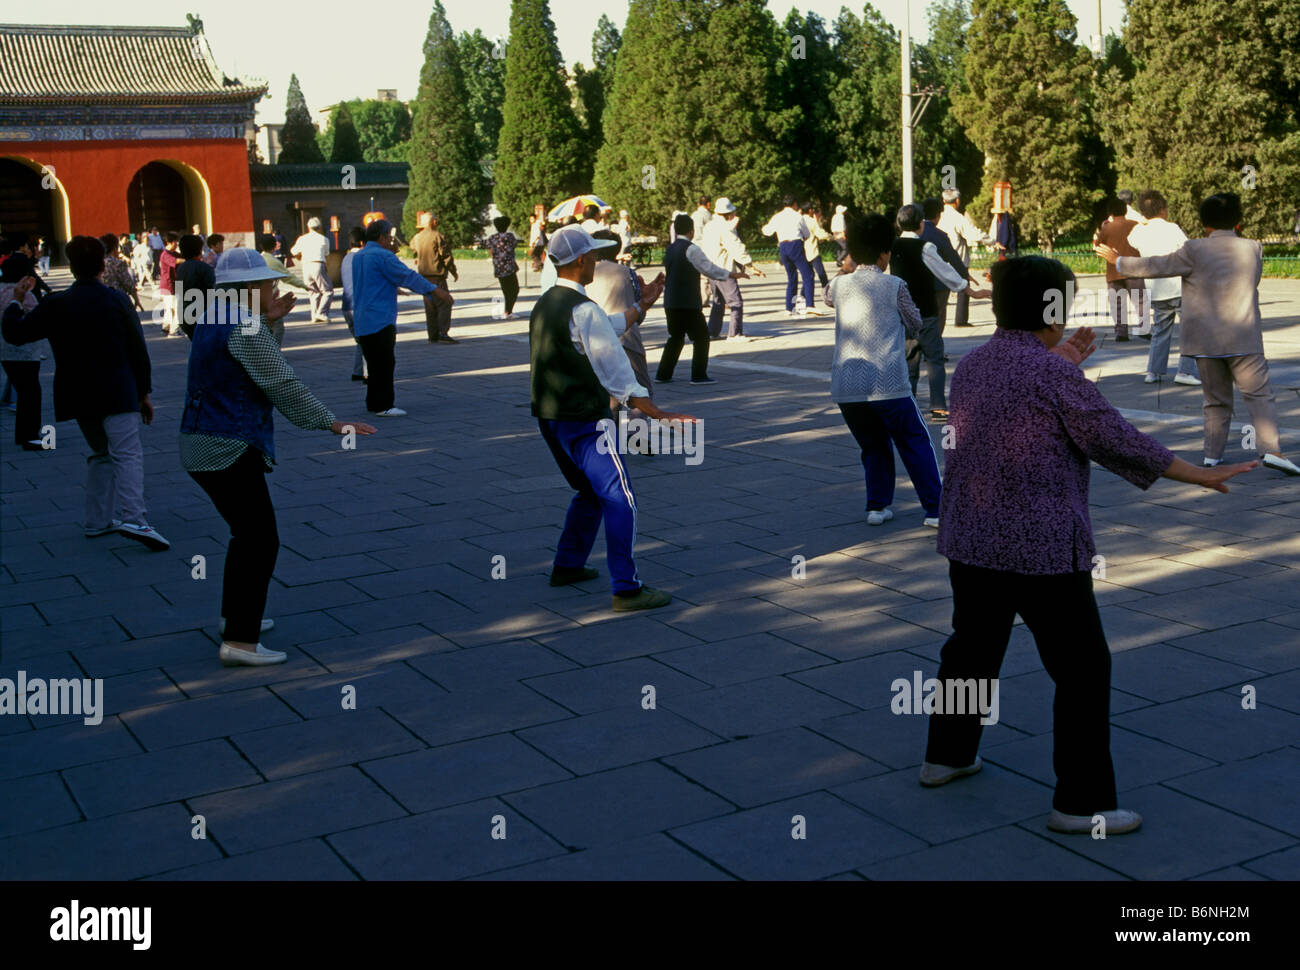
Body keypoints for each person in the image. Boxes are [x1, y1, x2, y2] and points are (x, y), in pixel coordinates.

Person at [924, 254, 1256, 834]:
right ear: (1054, 307)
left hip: (971, 536)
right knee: (1081, 669)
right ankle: (1082, 804)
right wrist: (1200, 474)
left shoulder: (973, 364)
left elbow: (1020, 397)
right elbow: (1117, 440)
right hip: (1041, 545)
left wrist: (1062, 364)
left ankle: (946, 756)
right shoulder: (1052, 375)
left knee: (971, 650)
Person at [181, 248, 377, 666]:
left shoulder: (214, 315)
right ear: (248, 287)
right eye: (268, 283)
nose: (274, 289)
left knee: (245, 535)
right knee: (259, 539)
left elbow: (257, 362)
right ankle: (240, 640)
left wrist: (272, 321)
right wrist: (330, 423)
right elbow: (279, 380)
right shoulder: (244, 323)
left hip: (201, 440)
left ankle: (234, 619)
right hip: (227, 445)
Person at [530, 224, 688, 611]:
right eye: (595, 256)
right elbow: (613, 362)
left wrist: (642, 305)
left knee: (588, 492)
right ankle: (626, 588)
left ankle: (568, 564)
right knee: (621, 499)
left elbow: (604, 326)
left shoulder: (549, 301)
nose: (599, 262)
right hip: (586, 419)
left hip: (551, 418)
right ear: (581, 260)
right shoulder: (583, 308)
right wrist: (648, 405)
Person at [1097, 192, 1300, 476]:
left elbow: (1157, 266)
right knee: (1259, 395)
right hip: (1244, 337)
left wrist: (1120, 262)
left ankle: (1211, 456)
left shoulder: (1194, 249)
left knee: (1215, 400)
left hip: (1205, 340)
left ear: (1204, 224)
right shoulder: (1253, 248)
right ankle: (1272, 450)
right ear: (1238, 222)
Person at [2, 236, 169, 549]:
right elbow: (137, 349)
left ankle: (98, 520)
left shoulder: (57, 303)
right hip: (118, 390)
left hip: (77, 394)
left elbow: (16, 333)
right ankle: (135, 518)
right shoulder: (117, 300)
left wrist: (16, 299)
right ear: (102, 265)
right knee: (127, 453)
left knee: (102, 453)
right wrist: (144, 392)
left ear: (73, 267)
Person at [826, 213, 942, 528]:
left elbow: (826, 296)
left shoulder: (838, 286)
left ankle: (877, 506)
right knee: (915, 441)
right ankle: (935, 509)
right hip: (887, 382)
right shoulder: (894, 284)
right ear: (882, 253)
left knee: (873, 445)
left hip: (847, 385)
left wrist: (846, 268)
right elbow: (916, 322)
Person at [892, 204, 987, 420]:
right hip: (925, 310)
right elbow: (945, 273)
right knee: (934, 358)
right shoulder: (925, 248)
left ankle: (910, 405)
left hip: (903, 313)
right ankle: (938, 405)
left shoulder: (893, 246)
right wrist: (969, 289)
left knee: (909, 359)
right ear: (921, 224)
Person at [351, 219, 452, 416]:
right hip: (380, 317)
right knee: (384, 362)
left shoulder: (360, 255)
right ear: (381, 237)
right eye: (389, 237)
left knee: (373, 363)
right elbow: (407, 276)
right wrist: (435, 291)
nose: (391, 240)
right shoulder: (382, 256)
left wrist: (390, 254)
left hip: (363, 317)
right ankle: (384, 405)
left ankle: (373, 402)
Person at [585, 230, 662, 443]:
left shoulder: (586, 273)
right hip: (627, 338)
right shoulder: (628, 273)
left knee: (609, 394)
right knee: (640, 388)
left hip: (596, 340)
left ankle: (608, 437)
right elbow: (639, 313)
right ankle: (639, 436)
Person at [655, 213, 748, 385]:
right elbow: (708, 268)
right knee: (701, 337)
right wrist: (732, 274)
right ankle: (698, 374)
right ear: (691, 231)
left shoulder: (671, 248)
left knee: (675, 337)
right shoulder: (691, 249)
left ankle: (663, 374)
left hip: (671, 300)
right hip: (688, 301)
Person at [1127, 190, 1201, 386]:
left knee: (1160, 331)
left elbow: (1131, 239)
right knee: (1190, 330)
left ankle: (1153, 371)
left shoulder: (1138, 232)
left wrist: (1143, 222)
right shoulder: (1173, 228)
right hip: (1178, 286)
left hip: (1156, 289)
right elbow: (1187, 250)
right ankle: (1185, 371)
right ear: (1162, 209)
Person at [699, 197, 764, 341]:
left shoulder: (710, 225)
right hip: (724, 269)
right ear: (728, 213)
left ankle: (712, 332)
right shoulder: (726, 228)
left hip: (711, 269)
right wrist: (750, 265)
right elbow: (737, 248)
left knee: (718, 302)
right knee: (736, 302)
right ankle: (735, 333)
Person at [0, 258, 46, 450]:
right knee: (31, 394)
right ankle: (30, 437)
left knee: (24, 391)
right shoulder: (23, 293)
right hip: (25, 351)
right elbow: (36, 316)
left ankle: (23, 435)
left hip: (4, 351)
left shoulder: (1, 290)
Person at [921, 198, 982, 335]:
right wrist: (964, 275)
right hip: (938, 283)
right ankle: (935, 349)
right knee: (938, 316)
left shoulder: (914, 235)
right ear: (938, 215)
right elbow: (953, 258)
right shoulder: (939, 235)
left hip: (918, 284)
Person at [1094, 197, 1146, 342]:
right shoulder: (1135, 225)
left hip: (1114, 270)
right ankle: (1144, 328)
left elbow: (1098, 246)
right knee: (1140, 300)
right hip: (1134, 268)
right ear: (1125, 210)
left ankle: (1121, 332)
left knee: (1117, 303)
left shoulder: (1107, 227)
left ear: (1110, 212)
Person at [937, 189, 990, 328]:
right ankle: (960, 320)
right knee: (963, 290)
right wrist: (990, 240)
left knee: (942, 293)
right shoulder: (958, 218)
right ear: (957, 201)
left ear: (943, 201)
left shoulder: (939, 217)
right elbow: (972, 234)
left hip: (940, 259)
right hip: (958, 258)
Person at [762, 195, 815, 316]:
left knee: (792, 277)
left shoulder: (777, 217)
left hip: (783, 247)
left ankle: (789, 307)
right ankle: (809, 304)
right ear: (794, 204)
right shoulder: (797, 216)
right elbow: (806, 234)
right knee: (808, 275)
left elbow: (767, 231)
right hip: (795, 244)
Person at [411, 213, 458, 344]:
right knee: (444, 303)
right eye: (435, 219)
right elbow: (446, 256)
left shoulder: (417, 237)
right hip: (437, 277)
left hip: (423, 278)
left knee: (430, 307)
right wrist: (453, 271)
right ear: (433, 222)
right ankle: (443, 332)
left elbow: (412, 247)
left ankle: (432, 335)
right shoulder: (438, 236)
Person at [291, 217, 333, 323]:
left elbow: (293, 251)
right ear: (319, 227)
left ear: (308, 227)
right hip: (318, 264)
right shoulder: (324, 239)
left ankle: (314, 315)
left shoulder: (302, 238)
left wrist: (299, 258)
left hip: (306, 265)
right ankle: (322, 313)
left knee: (313, 292)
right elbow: (327, 255)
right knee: (327, 291)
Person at [339, 227, 368, 383]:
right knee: (368, 341)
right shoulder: (362, 258)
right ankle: (367, 374)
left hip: (347, 305)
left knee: (361, 340)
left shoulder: (346, 258)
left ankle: (357, 371)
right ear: (363, 242)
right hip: (359, 305)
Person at [175, 234, 215, 339]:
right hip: (202, 315)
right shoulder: (205, 269)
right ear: (200, 249)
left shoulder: (181, 268)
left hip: (184, 316)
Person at [486, 216, 521, 319]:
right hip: (509, 267)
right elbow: (515, 245)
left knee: (506, 290)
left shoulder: (493, 238)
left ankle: (507, 310)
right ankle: (508, 311)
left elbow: (488, 247)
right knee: (514, 289)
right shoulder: (510, 237)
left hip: (499, 267)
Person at [99, 233, 143, 311]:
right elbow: (128, 284)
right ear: (114, 248)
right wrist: (136, 300)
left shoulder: (96, 263)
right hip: (116, 300)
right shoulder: (118, 263)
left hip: (99, 300)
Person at [801, 204, 832, 290]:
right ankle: (826, 291)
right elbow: (820, 234)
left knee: (808, 275)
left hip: (802, 252)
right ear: (810, 210)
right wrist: (831, 237)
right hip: (812, 251)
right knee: (821, 273)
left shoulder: (800, 220)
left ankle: (803, 294)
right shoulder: (811, 221)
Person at [157, 232, 182, 336]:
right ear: (169, 242)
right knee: (175, 308)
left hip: (172, 284)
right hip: (168, 285)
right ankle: (174, 330)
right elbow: (176, 261)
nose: (177, 244)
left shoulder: (174, 253)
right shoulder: (165, 254)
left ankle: (166, 327)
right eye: (175, 241)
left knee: (169, 308)